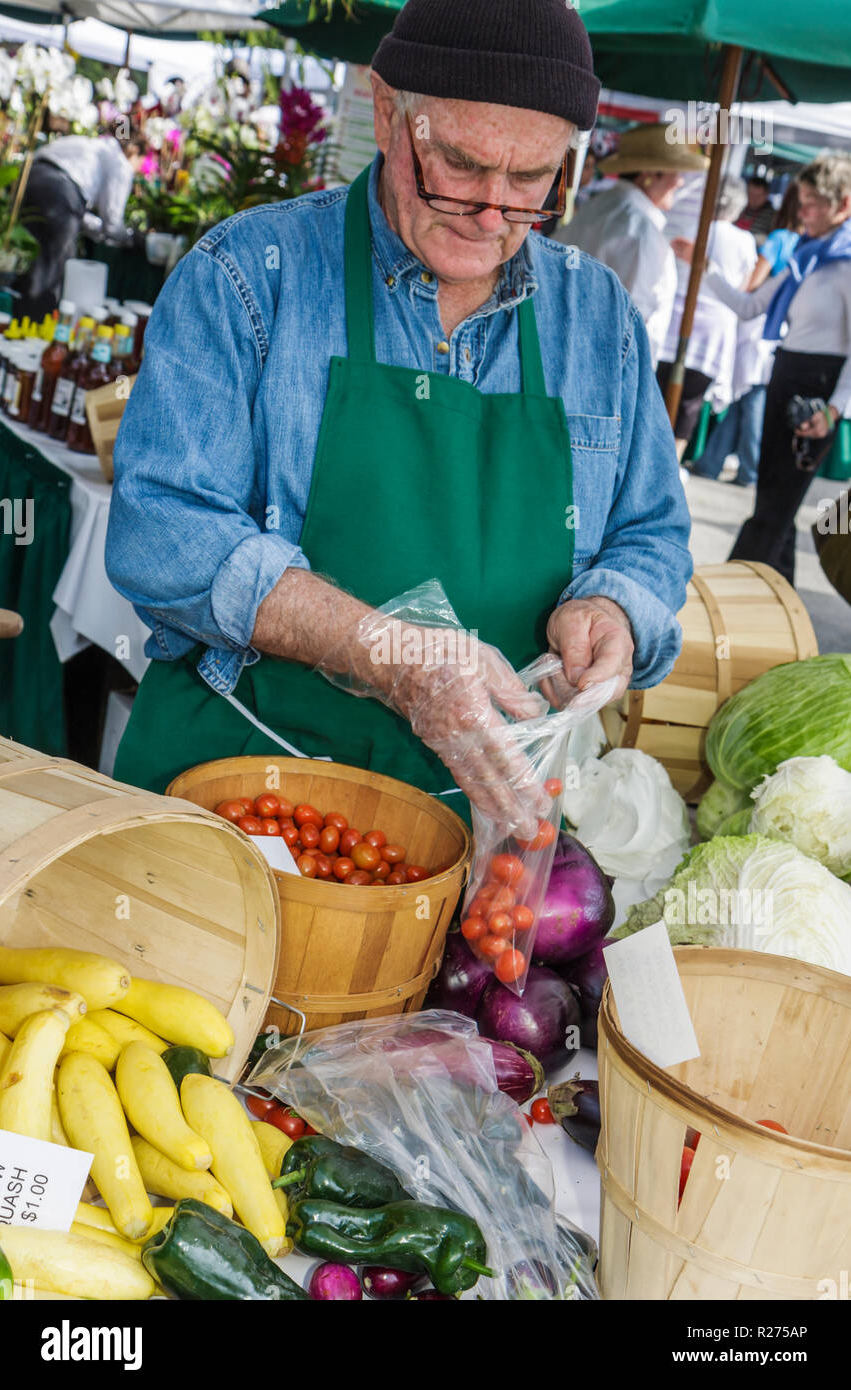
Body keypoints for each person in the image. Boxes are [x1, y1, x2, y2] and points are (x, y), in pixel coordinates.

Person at [106, 0, 692, 832]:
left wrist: (612, 608)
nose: (492, 215)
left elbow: (654, 535)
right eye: (458, 165)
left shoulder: (599, 319)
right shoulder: (247, 274)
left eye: (529, 182)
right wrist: (393, 654)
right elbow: (161, 530)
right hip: (239, 785)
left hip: (476, 822)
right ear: (388, 114)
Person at [700, 154, 851, 583]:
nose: (801, 211)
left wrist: (834, 409)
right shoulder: (806, 254)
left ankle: (733, 590)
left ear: (842, 204)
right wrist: (705, 270)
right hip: (787, 371)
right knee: (773, 500)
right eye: (800, 201)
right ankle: (776, 600)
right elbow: (750, 306)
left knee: (775, 505)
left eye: (811, 203)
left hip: (818, 386)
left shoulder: (850, 261)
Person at [553, 123, 709, 365]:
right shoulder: (640, 231)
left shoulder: (601, 206)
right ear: (651, 174)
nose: (679, 182)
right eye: (675, 173)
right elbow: (630, 326)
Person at [690, 183, 802, 485]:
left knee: (751, 398)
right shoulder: (804, 244)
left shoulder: (781, 239)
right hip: (782, 330)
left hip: (759, 328)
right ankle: (712, 463)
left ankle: (749, 469)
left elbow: (751, 285)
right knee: (744, 398)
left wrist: (717, 279)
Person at [657, 176, 757, 458]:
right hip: (713, 327)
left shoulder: (695, 228)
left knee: (662, 391)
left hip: (678, 319)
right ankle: (673, 460)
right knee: (690, 401)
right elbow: (744, 287)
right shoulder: (743, 241)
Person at [11, 133, 141, 320]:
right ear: (134, 152)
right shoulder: (119, 163)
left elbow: (76, 213)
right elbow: (112, 224)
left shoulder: (86, 143)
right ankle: (34, 328)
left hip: (31, 179)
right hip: (59, 192)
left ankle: (16, 323)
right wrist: (130, 238)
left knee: (31, 259)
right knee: (51, 270)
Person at [735, 174, 776, 246]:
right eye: (751, 194)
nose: (754, 199)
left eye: (758, 196)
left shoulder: (772, 215)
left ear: (766, 195)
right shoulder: (739, 207)